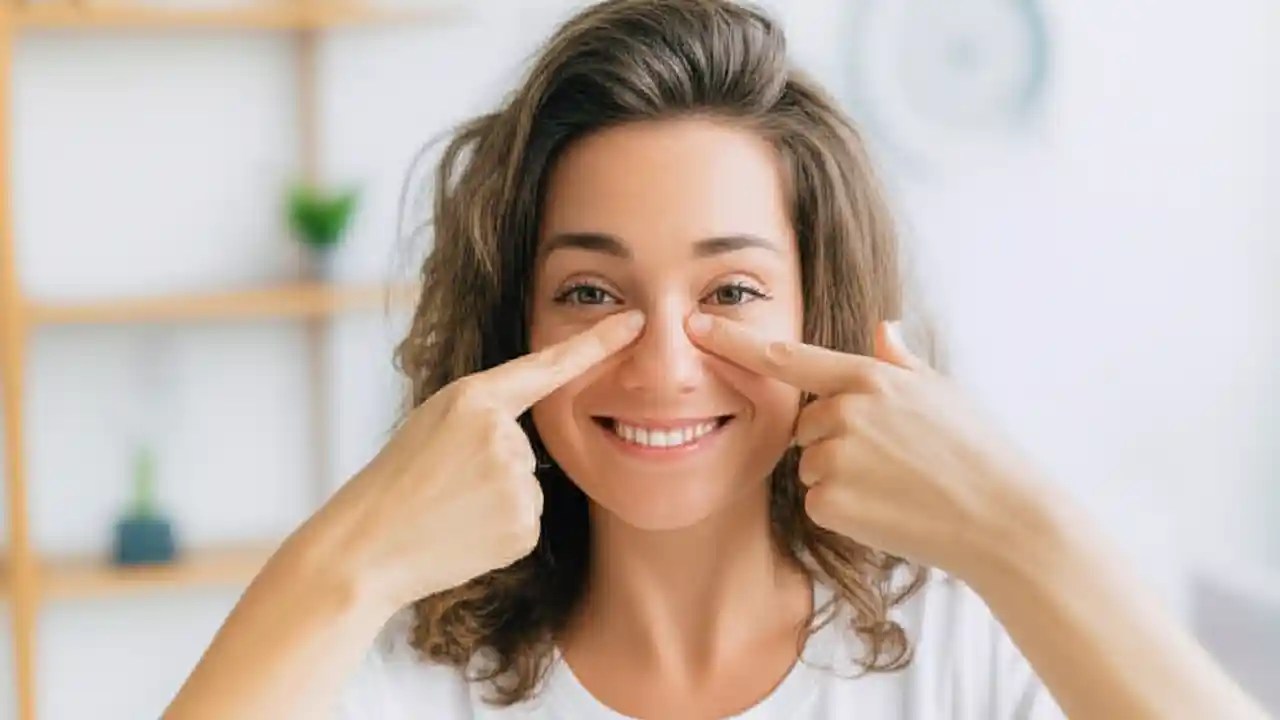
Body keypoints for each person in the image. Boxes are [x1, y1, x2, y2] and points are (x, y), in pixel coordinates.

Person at [165, 1, 1267, 718]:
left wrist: (1019, 535)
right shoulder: (397, 676)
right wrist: (340, 569)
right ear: (514, 328)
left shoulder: (979, 649)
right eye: (590, 295)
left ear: (820, 315)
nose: (661, 364)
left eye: (730, 292)